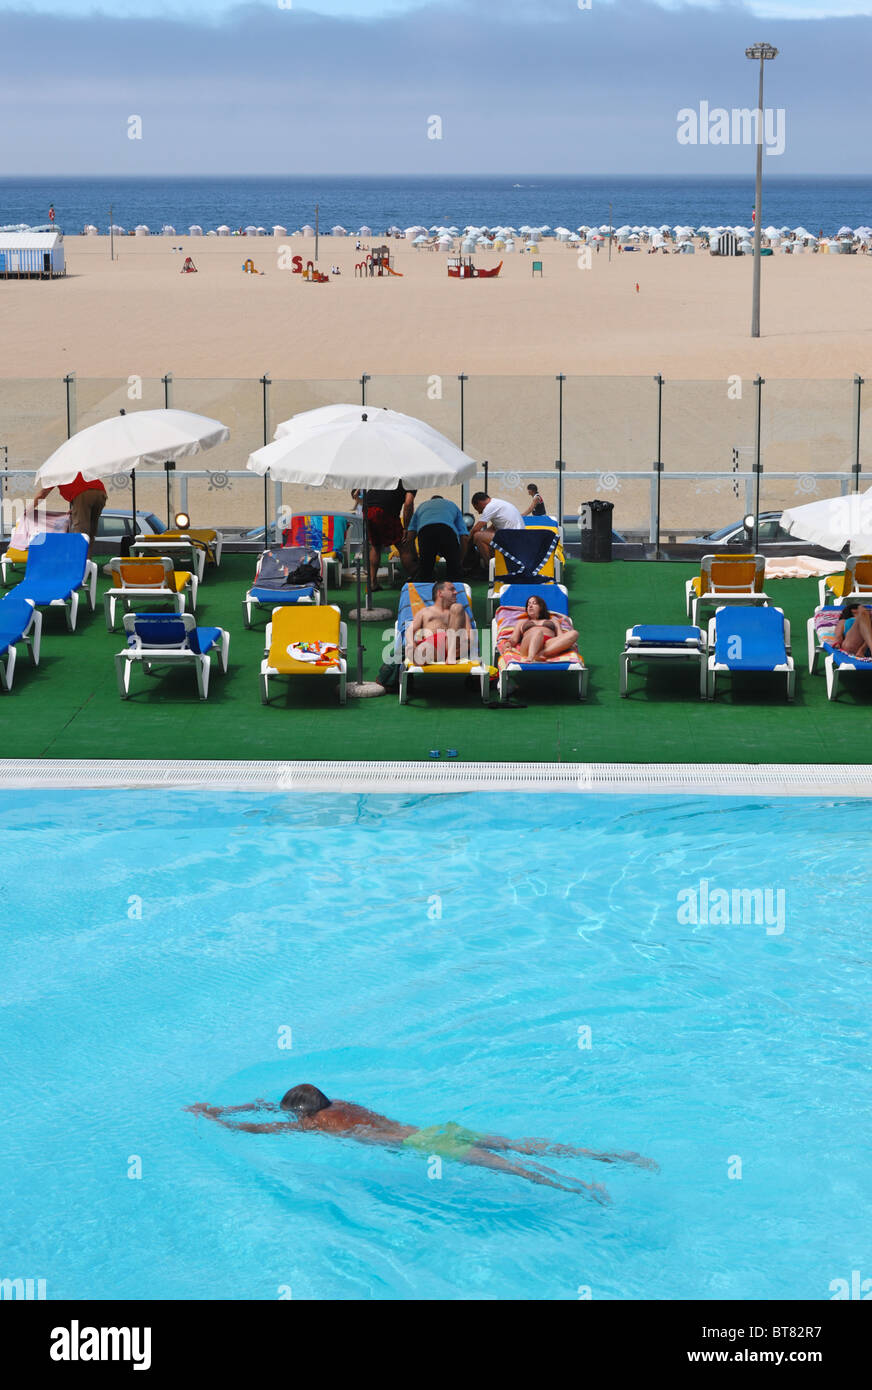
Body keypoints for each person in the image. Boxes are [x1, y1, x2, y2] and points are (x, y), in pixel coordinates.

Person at [188, 1083, 658, 1199]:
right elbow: (277, 1108)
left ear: (301, 1115)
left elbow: (266, 1126)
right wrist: (238, 1104)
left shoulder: (312, 1125)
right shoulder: (340, 1106)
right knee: (520, 1145)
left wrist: (219, 1119)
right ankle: (614, 1157)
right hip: (438, 1129)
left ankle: (583, 1188)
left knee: (512, 1168)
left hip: (428, 1147)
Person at [31, 471, 107, 557]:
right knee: (91, 530)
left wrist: (29, 508)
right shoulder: (71, 469)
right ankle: (87, 560)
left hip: (83, 494)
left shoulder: (55, 474)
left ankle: (78, 561)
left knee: (81, 530)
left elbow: (42, 494)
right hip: (100, 493)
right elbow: (81, 488)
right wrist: (76, 508)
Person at [363, 481, 416, 590]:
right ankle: (418, 579)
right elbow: (408, 503)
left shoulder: (389, 471)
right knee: (403, 545)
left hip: (368, 509)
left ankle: (372, 583)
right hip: (385, 512)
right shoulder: (411, 479)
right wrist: (406, 527)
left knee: (375, 546)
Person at [407, 578, 472, 664]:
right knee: (413, 649)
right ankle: (419, 658)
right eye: (451, 589)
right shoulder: (425, 612)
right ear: (440, 593)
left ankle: (450, 656)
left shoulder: (460, 612)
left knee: (458, 607)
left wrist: (465, 646)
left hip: (454, 646)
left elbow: (470, 635)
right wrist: (412, 645)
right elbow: (410, 631)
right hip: (433, 647)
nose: (456, 592)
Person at [406, 494, 468, 580]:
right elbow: (464, 536)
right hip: (447, 532)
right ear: (443, 499)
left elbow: (410, 536)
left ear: (431, 500)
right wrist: (460, 560)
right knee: (454, 570)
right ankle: (454, 586)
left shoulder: (421, 506)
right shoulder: (452, 505)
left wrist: (415, 558)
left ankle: (424, 586)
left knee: (426, 570)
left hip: (425, 532)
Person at [509, 593, 579, 660]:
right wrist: (508, 643)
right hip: (528, 644)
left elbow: (560, 636)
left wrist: (568, 643)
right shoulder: (521, 622)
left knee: (574, 633)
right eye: (528, 604)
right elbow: (514, 638)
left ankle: (542, 653)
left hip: (548, 645)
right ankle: (531, 657)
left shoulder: (553, 620)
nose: (530, 606)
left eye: (534, 603)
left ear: (541, 606)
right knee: (538, 632)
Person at [469, 490, 525, 569]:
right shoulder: (497, 503)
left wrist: (467, 542)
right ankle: (493, 564)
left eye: (477, 508)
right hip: (517, 537)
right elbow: (490, 529)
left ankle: (489, 569)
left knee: (477, 536)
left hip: (512, 538)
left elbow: (475, 529)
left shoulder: (489, 507)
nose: (479, 512)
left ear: (479, 503)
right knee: (482, 536)